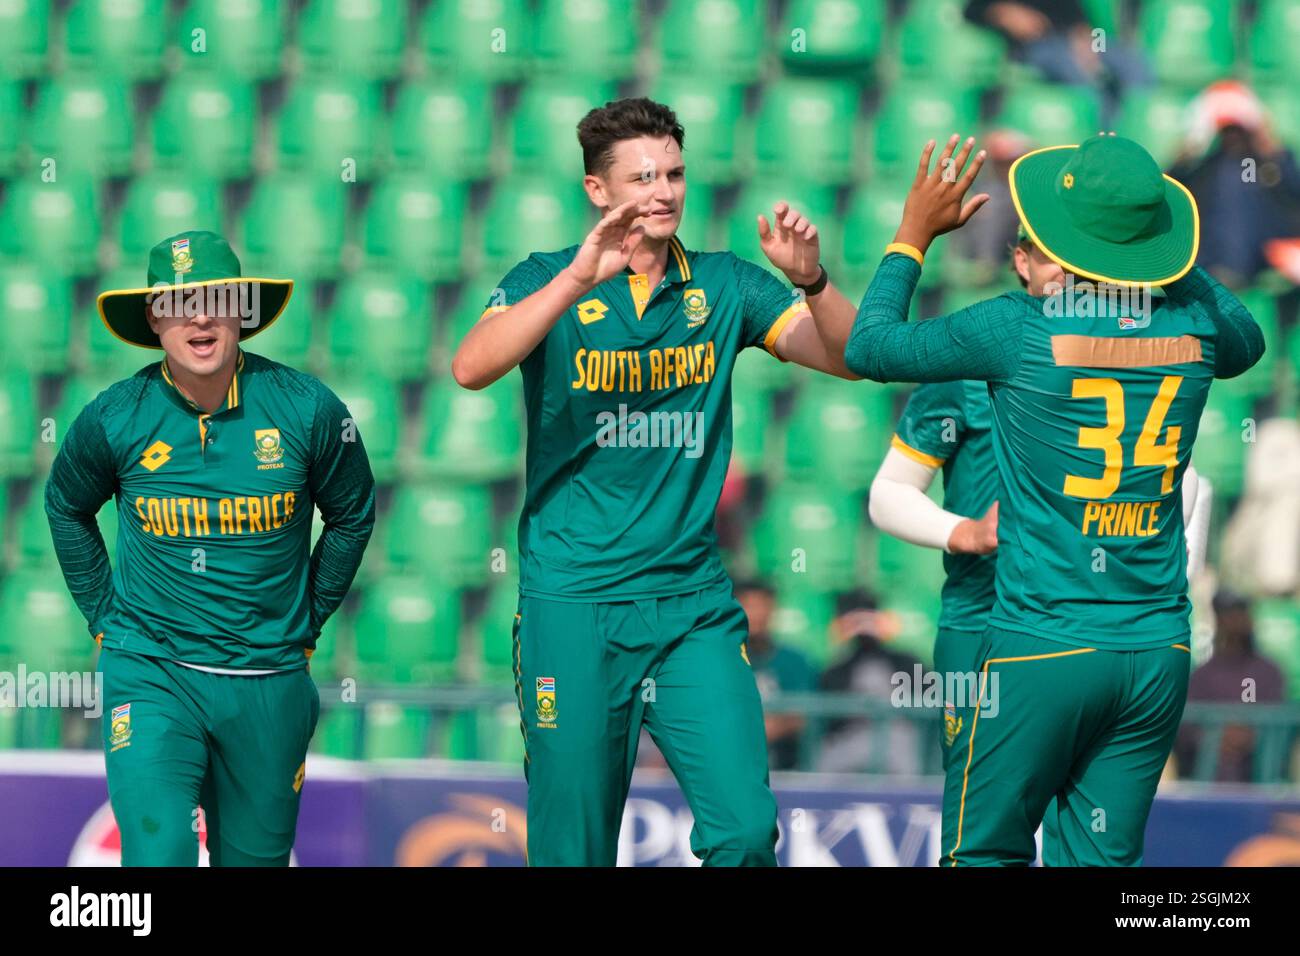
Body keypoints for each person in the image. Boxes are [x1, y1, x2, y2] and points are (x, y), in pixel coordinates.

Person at [452, 97, 862, 866]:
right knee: (573, 848)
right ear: (597, 191)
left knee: (744, 830)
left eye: (674, 173)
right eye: (643, 176)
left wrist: (814, 281)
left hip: (691, 608)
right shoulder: (546, 278)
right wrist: (577, 277)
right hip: (573, 605)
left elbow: (844, 356)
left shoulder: (726, 284)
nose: (665, 190)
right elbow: (471, 367)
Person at [845, 132, 1264, 865]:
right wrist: (1154, 245)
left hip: (1043, 642)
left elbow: (870, 346)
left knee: (983, 856)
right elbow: (1249, 341)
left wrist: (913, 234)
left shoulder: (1016, 328)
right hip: (1156, 649)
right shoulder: (1197, 329)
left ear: (1059, 253)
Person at [45, 231, 376, 866]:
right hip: (152, 671)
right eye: (178, 301)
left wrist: (309, 616)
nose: (199, 315)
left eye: (216, 298)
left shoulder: (307, 410)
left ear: (241, 312)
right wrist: (103, 616)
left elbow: (352, 513)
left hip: (268, 682)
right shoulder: (116, 416)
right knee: (156, 852)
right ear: (154, 318)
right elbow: (65, 505)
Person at [1175, 590, 1286, 782]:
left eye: (1240, 614)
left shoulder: (1268, 672)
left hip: (1258, 772)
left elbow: (1279, 721)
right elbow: (1186, 729)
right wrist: (1216, 738)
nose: (1235, 622)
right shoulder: (1202, 676)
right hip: (1209, 775)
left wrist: (1249, 735)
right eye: (1228, 615)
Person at [816, 590, 925, 775]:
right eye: (855, 619)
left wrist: (878, 636)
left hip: (897, 736)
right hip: (849, 737)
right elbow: (829, 715)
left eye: (866, 617)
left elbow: (929, 694)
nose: (862, 626)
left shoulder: (903, 660)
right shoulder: (838, 668)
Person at [734, 580, 818, 771]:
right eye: (749, 607)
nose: (755, 615)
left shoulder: (794, 660)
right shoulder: (720, 659)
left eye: (761, 607)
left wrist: (755, 732)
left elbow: (800, 715)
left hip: (784, 758)